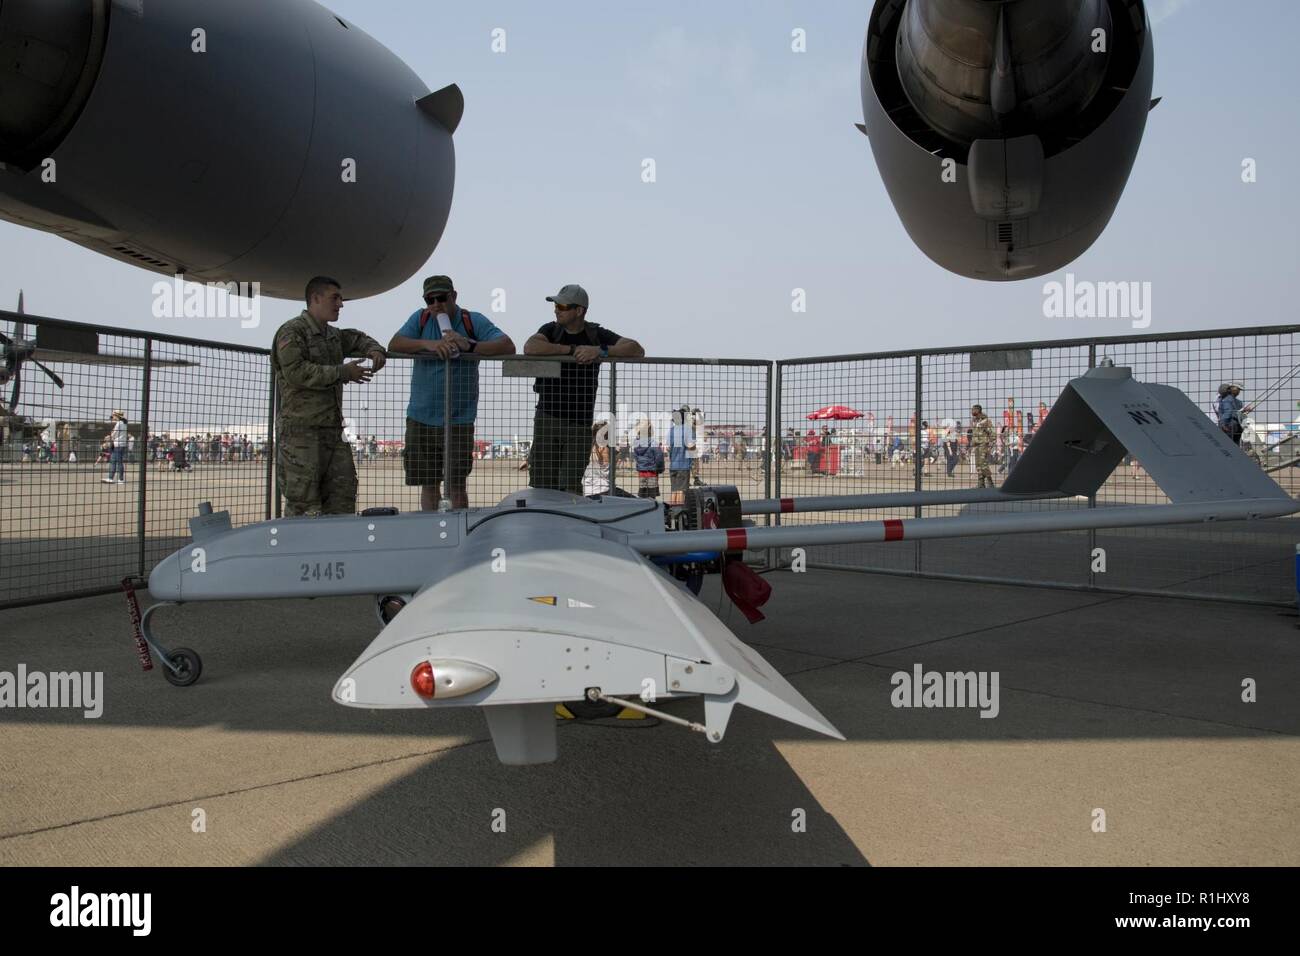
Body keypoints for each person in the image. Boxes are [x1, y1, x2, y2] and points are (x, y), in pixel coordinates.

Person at [388, 275, 515, 510]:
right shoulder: (420, 318)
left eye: (442, 298)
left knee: (457, 484)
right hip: (422, 416)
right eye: (430, 299)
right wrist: (428, 345)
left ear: (453, 296)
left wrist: (471, 345)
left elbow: (507, 345)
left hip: (459, 418)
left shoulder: (471, 320)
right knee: (429, 483)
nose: (436, 305)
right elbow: (394, 344)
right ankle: (431, 532)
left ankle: (459, 532)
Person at [271, 275, 387, 516]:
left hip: (332, 433)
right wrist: (342, 372)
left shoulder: (332, 336)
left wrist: (374, 349)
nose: (340, 304)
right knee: (304, 504)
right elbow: (296, 372)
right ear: (315, 298)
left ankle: (336, 550)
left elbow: (357, 337)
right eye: (335, 298)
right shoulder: (292, 332)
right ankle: (299, 552)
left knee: (342, 496)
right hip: (300, 435)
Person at [523, 284, 643, 494]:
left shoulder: (595, 334)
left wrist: (599, 351)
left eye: (562, 306)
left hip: (579, 424)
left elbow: (636, 349)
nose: (556, 310)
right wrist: (572, 351)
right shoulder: (551, 330)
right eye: (556, 305)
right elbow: (530, 347)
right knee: (542, 485)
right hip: (547, 418)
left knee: (570, 486)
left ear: (579, 310)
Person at [633, 418, 665, 498]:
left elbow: (636, 457)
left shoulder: (636, 443)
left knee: (642, 493)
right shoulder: (653, 442)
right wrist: (660, 468)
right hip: (652, 472)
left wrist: (640, 465)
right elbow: (659, 456)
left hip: (641, 472)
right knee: (651, 494)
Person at [668, 406, 696, 494]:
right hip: (683, 466)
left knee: (674, 491)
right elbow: (691, 447)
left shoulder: (671, 430)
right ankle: (680, 508)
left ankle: (673, 507)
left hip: (673, 466)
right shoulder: (686, 430)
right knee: (681, 492)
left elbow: (669, 448)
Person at [971, 404, 996, 488]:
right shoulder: (974, 420)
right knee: (978, 464)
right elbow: (974, 433)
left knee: (983, 464)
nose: (972, 411)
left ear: (979, 410)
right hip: (976, 444)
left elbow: (993, 433)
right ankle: (981, 483)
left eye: (974, 410)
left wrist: (990, 444)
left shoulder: (986, 420)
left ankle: (990, 482)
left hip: (983, 444)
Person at [102, 409, 127, 484]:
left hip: (118, 445)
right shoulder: (123, 423)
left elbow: (114, 434)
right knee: (113, 461)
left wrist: (107, 438)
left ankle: (121, 479)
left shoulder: (119, 423)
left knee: (118, 462)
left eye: (113, 415)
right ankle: (110, 478)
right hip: (117, 444)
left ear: (117, 416)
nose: (112, 416)